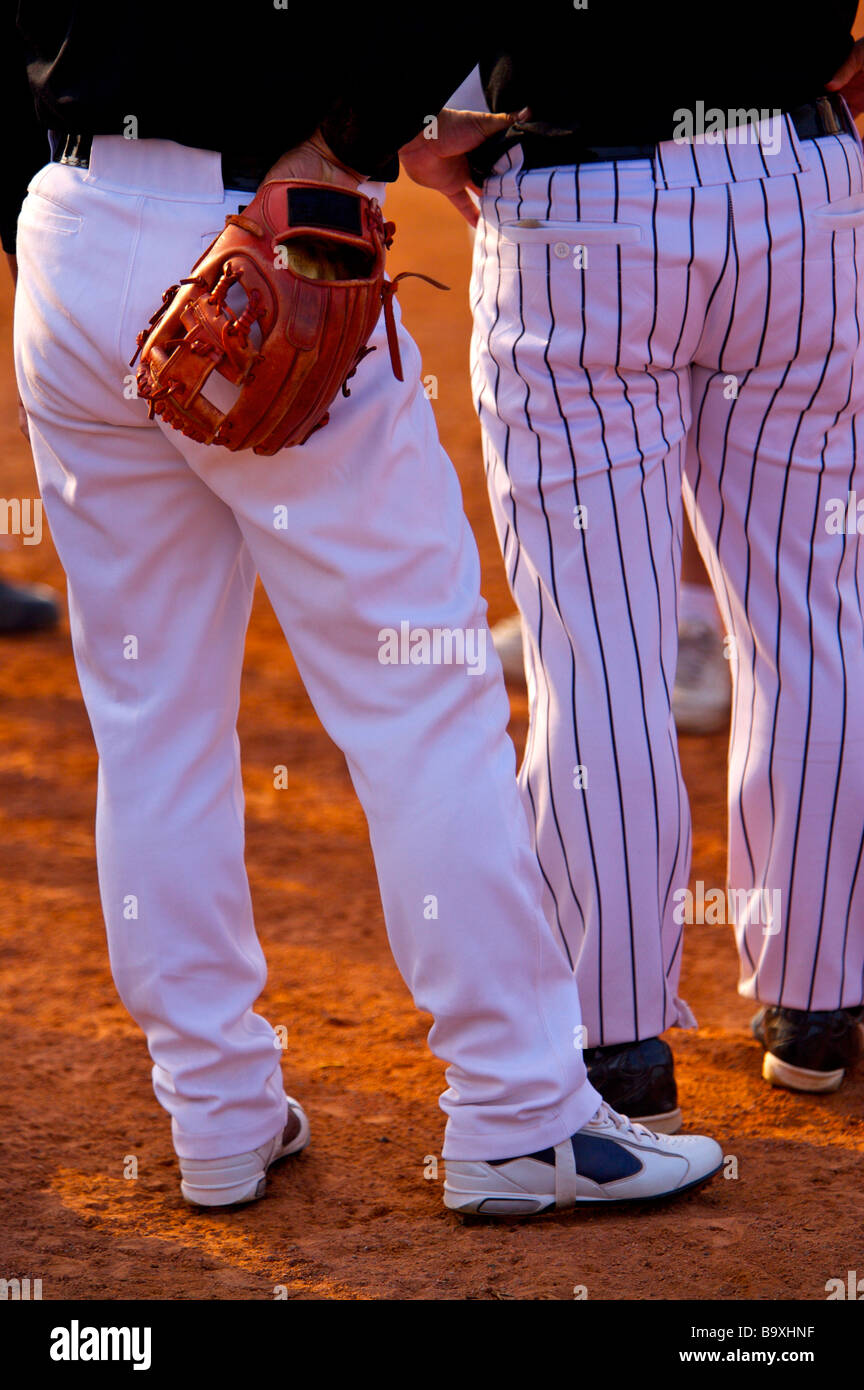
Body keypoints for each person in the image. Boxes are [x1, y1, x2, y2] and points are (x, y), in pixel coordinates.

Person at [3, 6, 722, 1217]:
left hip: (70, 223)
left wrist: (67, 250)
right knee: (422, 696)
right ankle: (519, 1111)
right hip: (285, 236)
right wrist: (351, 143)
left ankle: (218, 1116)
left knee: (148, 719)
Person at [402, 2, 864, 1123]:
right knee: (812, 607)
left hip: (578, 209)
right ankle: (819, 1003)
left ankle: (613, 1038)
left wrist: (439, 126)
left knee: (598, 639)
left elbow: (431, 119)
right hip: (802, 185)